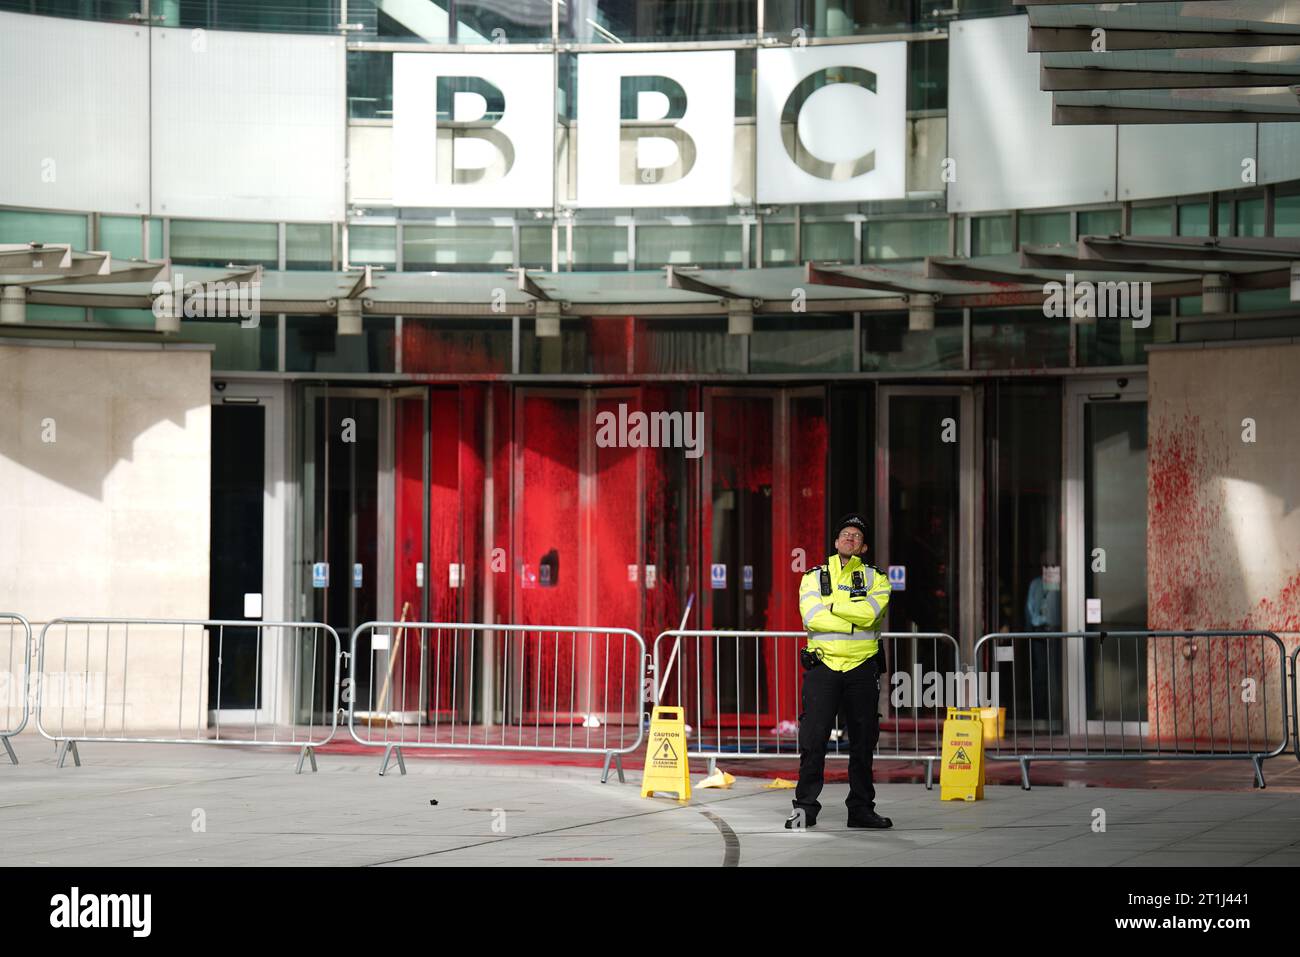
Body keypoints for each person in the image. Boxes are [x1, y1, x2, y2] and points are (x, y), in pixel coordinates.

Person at [786, 513, 894, 830]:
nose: (850, 538)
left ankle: (861, 809)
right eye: (845, 534)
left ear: (863, 547)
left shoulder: (877, 578)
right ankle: (805, 808)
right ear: (835, 542)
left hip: (862, 668)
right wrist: (851, 618)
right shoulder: (812, 576)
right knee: (812, 739)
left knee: (863, 742)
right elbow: (811, 616)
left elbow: (873, 613)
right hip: (824, 666)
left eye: (856, 536)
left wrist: (832, 606)